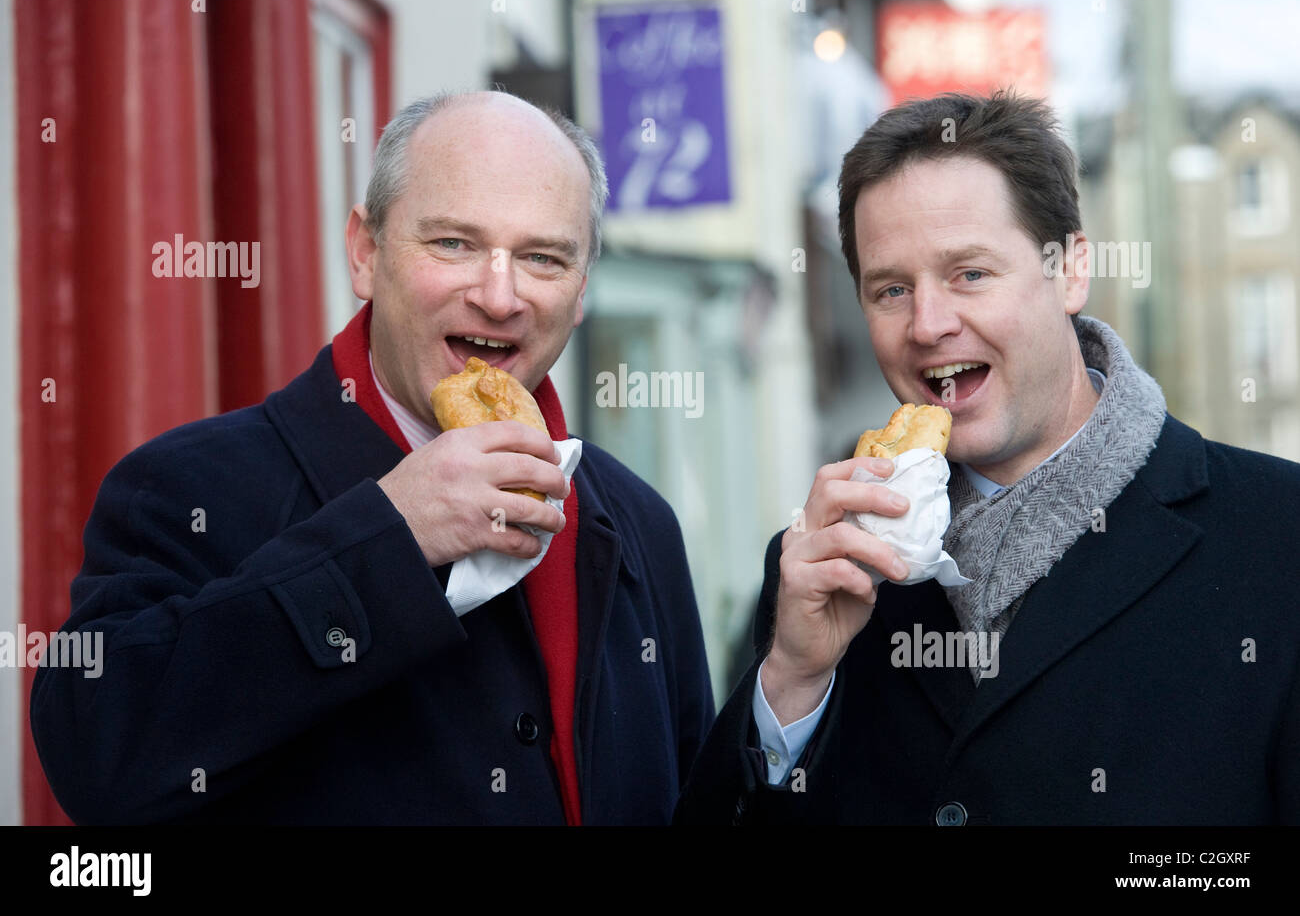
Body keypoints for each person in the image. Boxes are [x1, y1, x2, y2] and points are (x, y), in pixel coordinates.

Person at [31, 91, 714, 825]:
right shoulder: (184, 486)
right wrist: (389, 536)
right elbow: (98, 757)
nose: (498, 294)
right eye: (453, 243)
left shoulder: (640, 521)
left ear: (579, 292)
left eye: (542, 257)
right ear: (365, 252)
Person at [675, 91, 1300, 825]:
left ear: (1070, 270)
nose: (929, 324)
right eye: (892, 289)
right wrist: (792, 682)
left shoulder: (1276, 536)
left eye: (970, 273)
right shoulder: (822, 563)